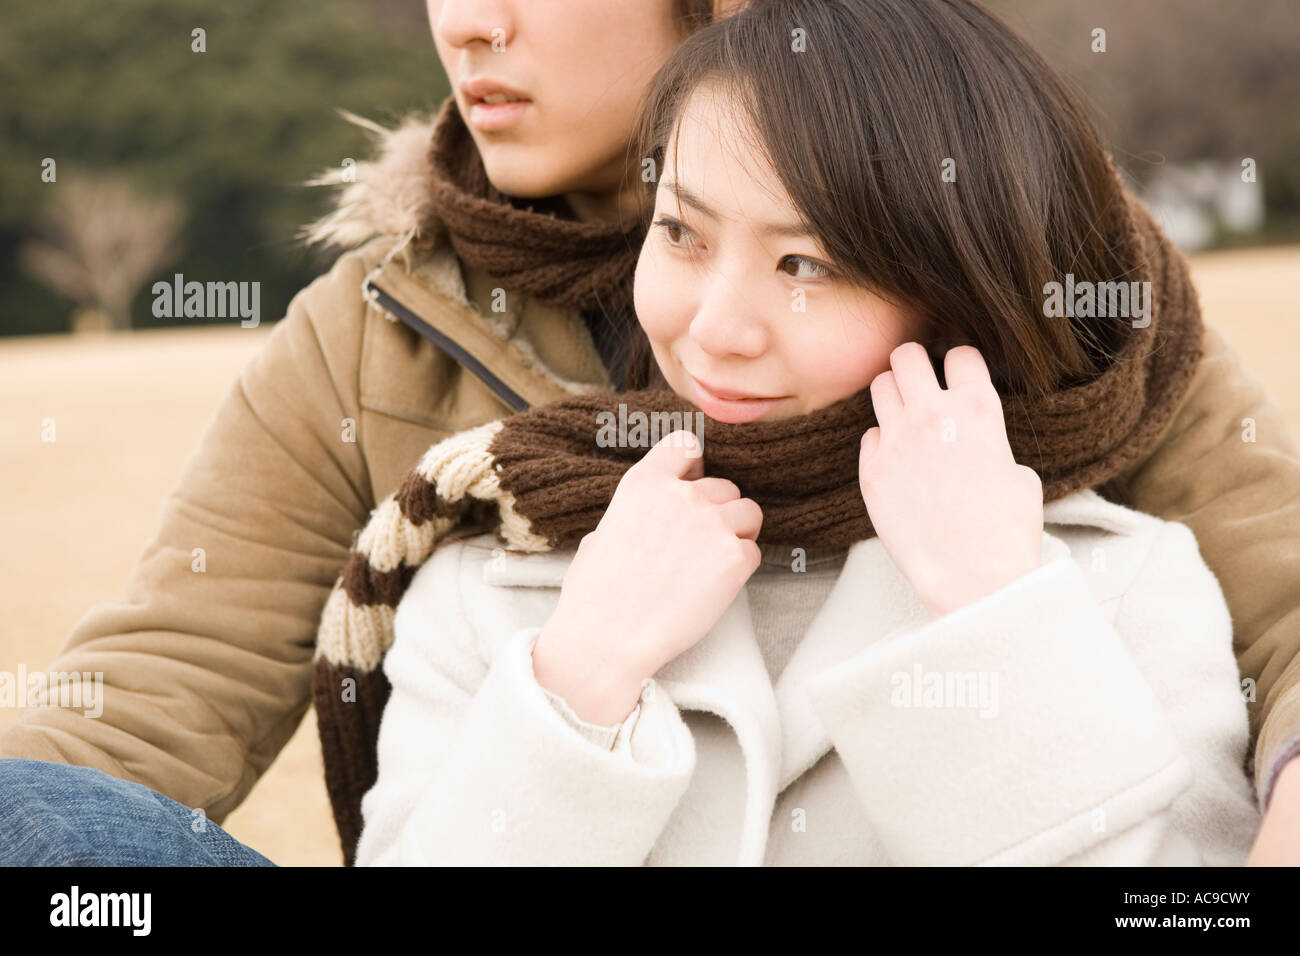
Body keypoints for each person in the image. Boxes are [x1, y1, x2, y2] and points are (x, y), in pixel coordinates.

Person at [1, 0, 1297, 866]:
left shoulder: (1070, 300)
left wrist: (995, 609)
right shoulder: (412, 407)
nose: (469, 24)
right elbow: (144, 710)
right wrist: (574, 687)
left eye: (812, 260)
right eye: (683, 235)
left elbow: (1279, 621)